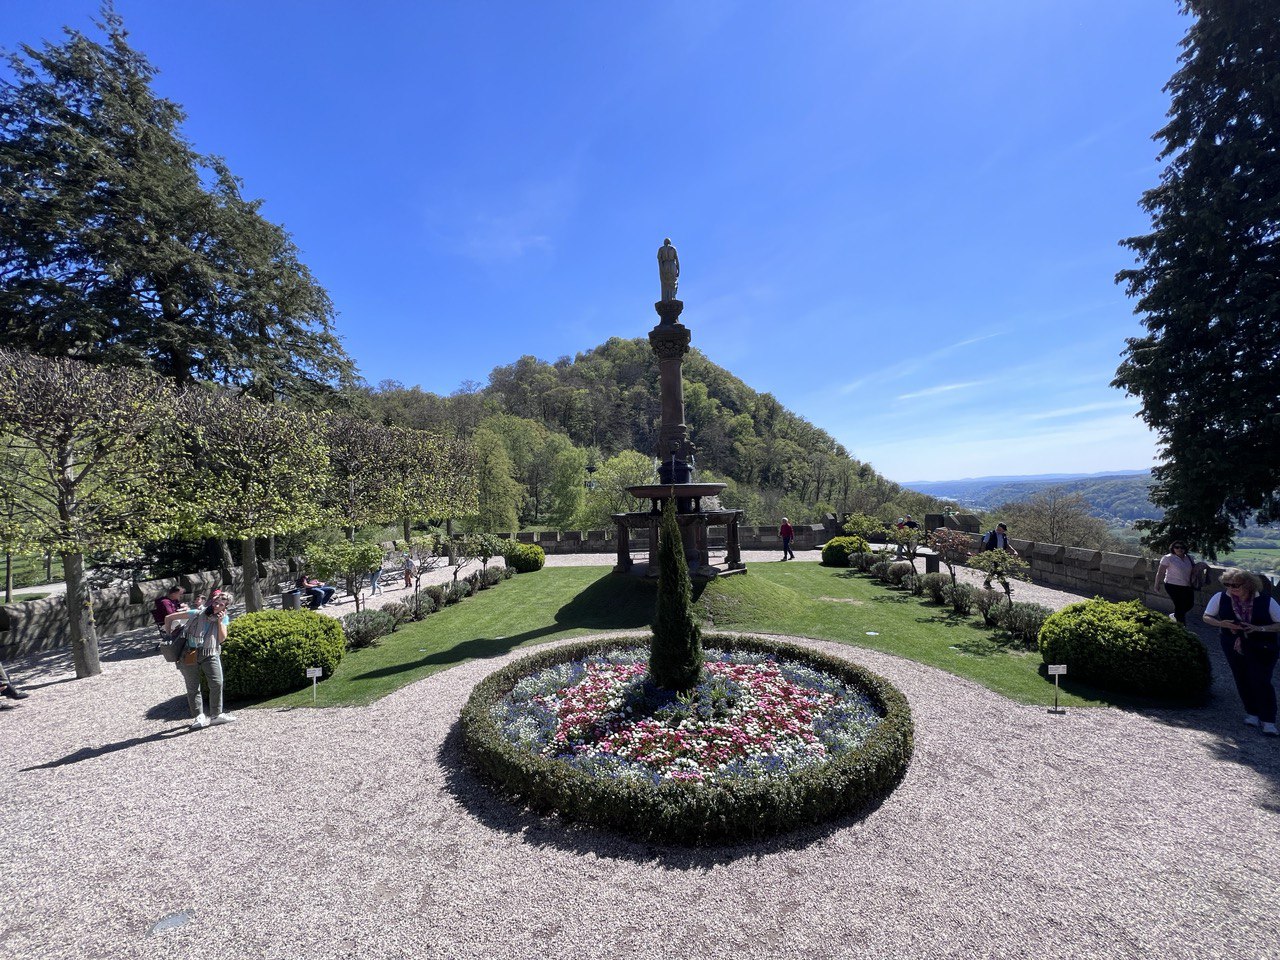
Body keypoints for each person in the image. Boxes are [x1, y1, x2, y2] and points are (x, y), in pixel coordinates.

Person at [1202, 568, 1279, 736]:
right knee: (1241, 676)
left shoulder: (1266, 601)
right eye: (1227, 584)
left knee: (1262, 679)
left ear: (1248, 584)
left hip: (1263, 644)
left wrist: (1259, 628)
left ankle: (1268, 719)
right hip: (1232, 642)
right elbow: (1207, 616)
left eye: (1235, 585)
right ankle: (1252, 712)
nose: (1231, 588)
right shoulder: (1221, 597)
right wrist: (1224, 624)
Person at [178, 592, 236, 730]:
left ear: (225, 607)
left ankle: (216, 715)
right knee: (193, 685)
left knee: (217, 682)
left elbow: (222, 639)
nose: (216, 606)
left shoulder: (224, 618)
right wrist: (169, 633)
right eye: (215, 602)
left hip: (210, 652)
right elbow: (169, 618)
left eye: (221, 604)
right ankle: (198, 716)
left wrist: (220, 622)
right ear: (211, 601)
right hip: (190, 651)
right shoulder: (197, 613)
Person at [1154, 541, 1197, 624]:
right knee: (1179, 606)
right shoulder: (1168, 558)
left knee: (1190, 604)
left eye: (1182, 547)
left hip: (1187, 585)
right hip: (1172, 585)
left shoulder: (1189, 558)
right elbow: (1160, 572)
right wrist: (1156, 584)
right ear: (1173, 548)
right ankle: (1181, 627)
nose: (1179, 549)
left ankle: (1175, 616)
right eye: (1177, 547)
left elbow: (1193, 570)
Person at [657, 238, 680, 302]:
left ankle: (665, 297)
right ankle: (672, 296)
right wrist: (678, 269)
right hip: (672, 265)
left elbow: (659, 259)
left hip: (665, 265)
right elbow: (677, 260)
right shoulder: (673, 248)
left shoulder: (661, 249)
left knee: (665, 282)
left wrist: (661, 268)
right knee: (673, 281)